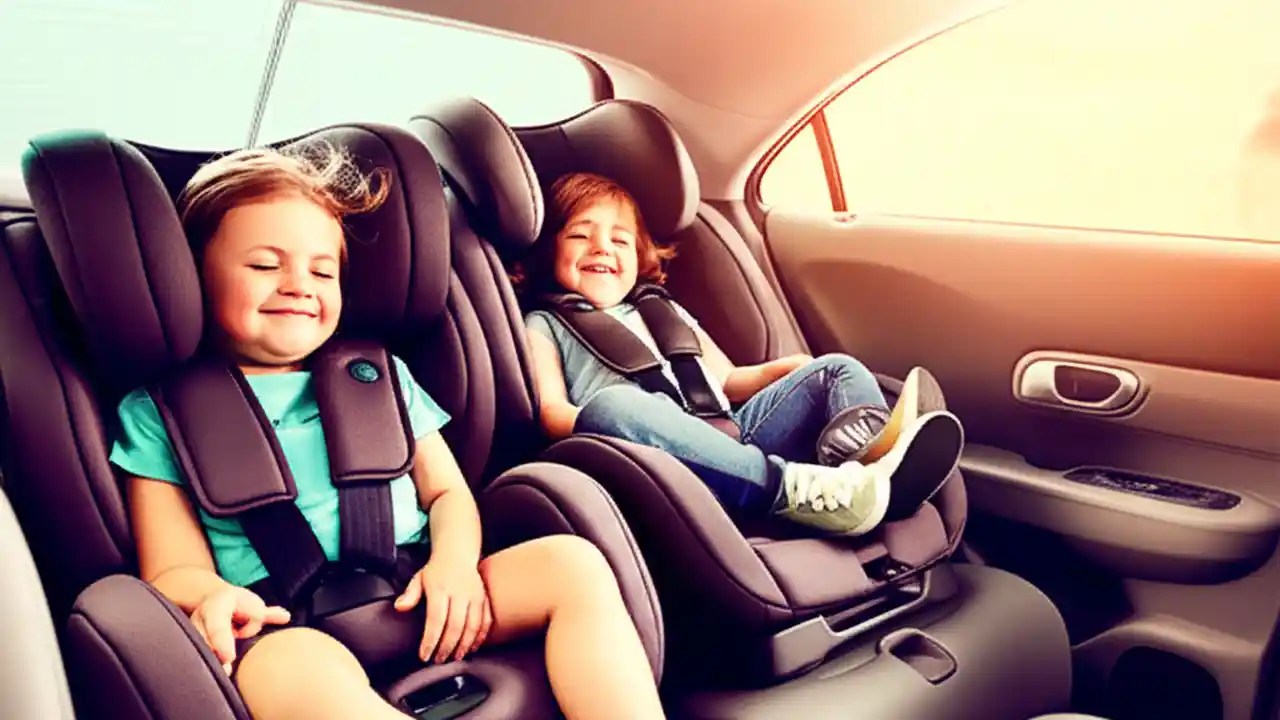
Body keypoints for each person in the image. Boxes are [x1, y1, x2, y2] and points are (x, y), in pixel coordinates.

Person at [111, 148, 665, 720]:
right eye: (264, 265)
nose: (301, 285)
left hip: (419, 586)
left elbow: (447, 493)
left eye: (323, 271)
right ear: (195, 275)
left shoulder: (379, 378)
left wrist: (452, 563)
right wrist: (213, 597)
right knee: (284, 672)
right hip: (285, 620)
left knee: (570, 564)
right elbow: (170, 566)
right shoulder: (159, 412)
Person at [522, 172, 964, 536]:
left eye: (620, 241)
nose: (602, 247)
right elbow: (552, 411)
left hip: (734, 430)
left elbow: (729, 380)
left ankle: (867, 470)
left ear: (639, 257)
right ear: (548, 251)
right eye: (581, 234)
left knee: (837, 369)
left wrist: (791, 370)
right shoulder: (545, 323)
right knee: (613, 402)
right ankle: (790, 490)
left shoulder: (663, 311)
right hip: (662, 463)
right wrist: (602, 416)